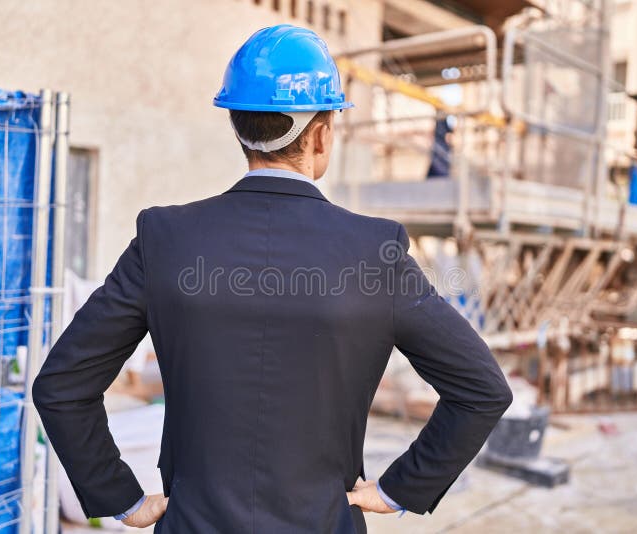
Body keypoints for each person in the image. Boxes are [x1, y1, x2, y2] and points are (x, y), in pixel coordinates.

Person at [32, 24, 512, 533]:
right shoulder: (375, 252)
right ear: (323, 134)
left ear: (238, 129)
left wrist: (122, 498)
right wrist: (400, 488)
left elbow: (62, 386)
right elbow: (481, 389)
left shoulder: (164, 238)